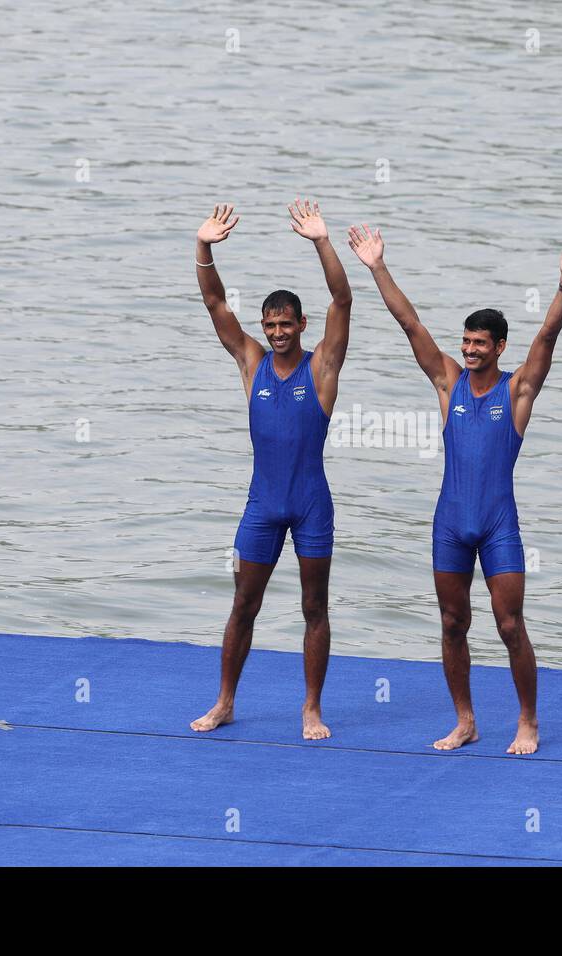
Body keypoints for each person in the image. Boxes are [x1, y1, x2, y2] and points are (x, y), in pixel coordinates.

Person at [347, 225, 562, 754]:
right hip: (451, 525)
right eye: (465, 342)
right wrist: (376, 268)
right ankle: (466, 720)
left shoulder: (518, 389)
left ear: (499, 347)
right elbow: (408, 322)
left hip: (498, 524)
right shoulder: (447, 382)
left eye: (480, 343)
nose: (469, 350)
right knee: (452, 622)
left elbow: (546, 340)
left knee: (509, 626)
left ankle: (527, 720)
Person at [190, 201, 352, 740]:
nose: (278, 332)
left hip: (311, 505)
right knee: (243, 603)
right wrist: (204, 247)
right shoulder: (251, 362)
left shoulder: (322, 366)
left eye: (286, 324)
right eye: (271, 325)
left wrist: (321, 242)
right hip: (261, 506)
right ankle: (225, 703)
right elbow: (214, 302)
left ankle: (310, 709)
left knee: (314, 607)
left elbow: (342, 299)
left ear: (301, 325)